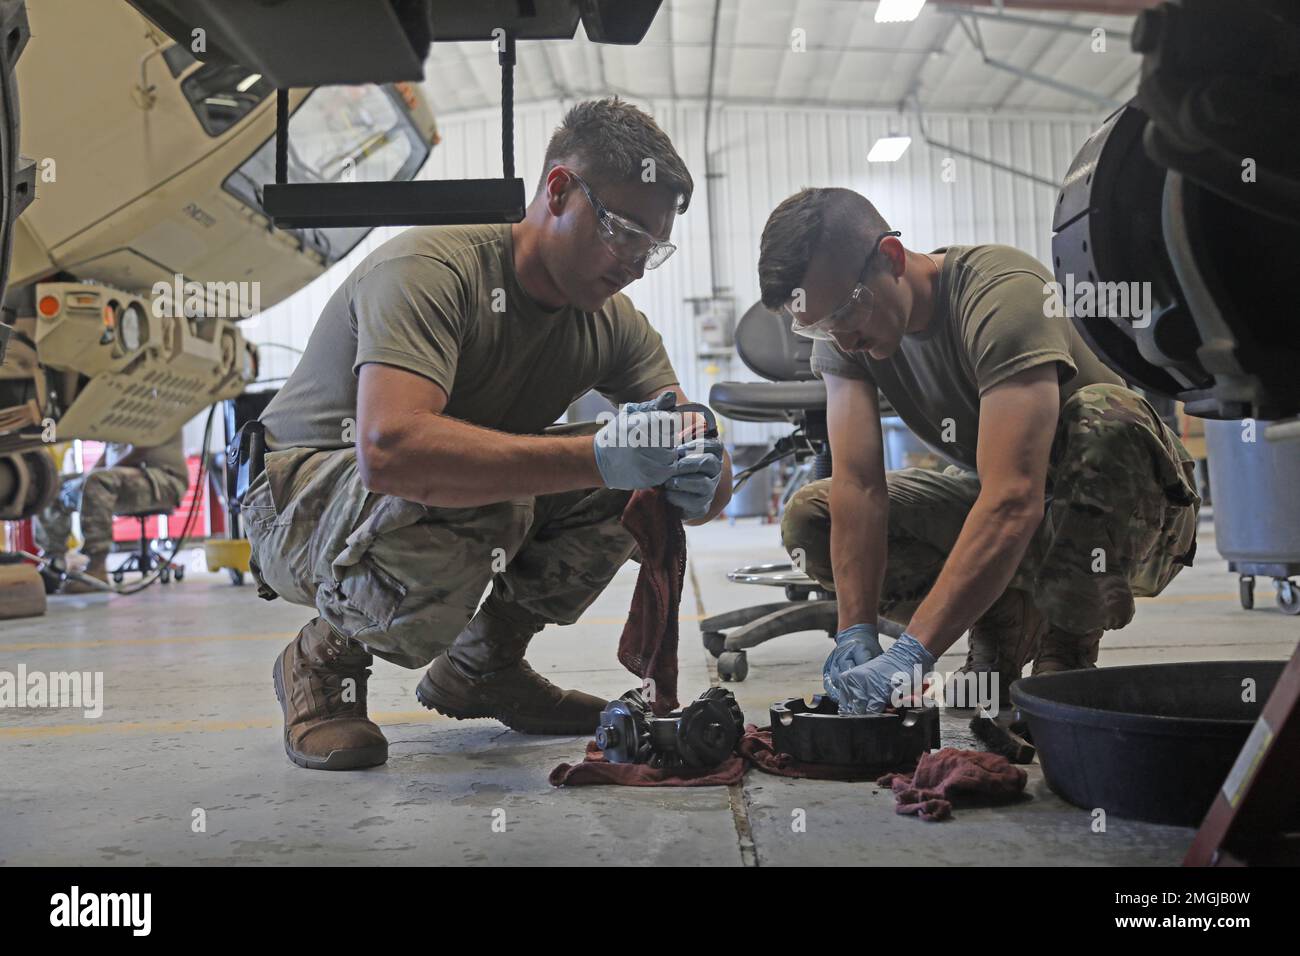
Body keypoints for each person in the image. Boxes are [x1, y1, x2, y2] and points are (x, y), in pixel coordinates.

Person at [244, 98, 731, 771]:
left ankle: (482, 666)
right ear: (558, 191)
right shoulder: (432, 270)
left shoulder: (612, 322)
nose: (637, 262)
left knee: (624, 483)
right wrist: (594, 455)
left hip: (419, 493)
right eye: (622, 230)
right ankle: (322, 661)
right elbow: (392, 450)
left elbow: (687, 436)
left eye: (654, 244)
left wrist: (702, 466)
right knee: (506, 487)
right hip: (295, 504)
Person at [758, 187, 1199, 713]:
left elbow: (1014, 498)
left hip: (1134, 512)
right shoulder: (844, 333)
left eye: (847, 314)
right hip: (1014, 510)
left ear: (892, 259)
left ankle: (1064, 653)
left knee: (1107, 417)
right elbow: (858, 484)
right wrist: (856, 629)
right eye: (820, 326)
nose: (843, 339)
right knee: (816, 514)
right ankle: (1006, 620)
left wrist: (914, 651)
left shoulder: (1002, 293)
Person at [34, 432, 190, 593]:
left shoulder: (155, 409)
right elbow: (107, 455)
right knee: (52, 484)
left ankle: (96, 567)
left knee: (97, 481)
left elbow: (140, 450)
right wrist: (86, 479)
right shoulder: (116, 415)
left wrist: (93, 479)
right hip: (119, 478)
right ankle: (53, 563)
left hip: (163, 480)